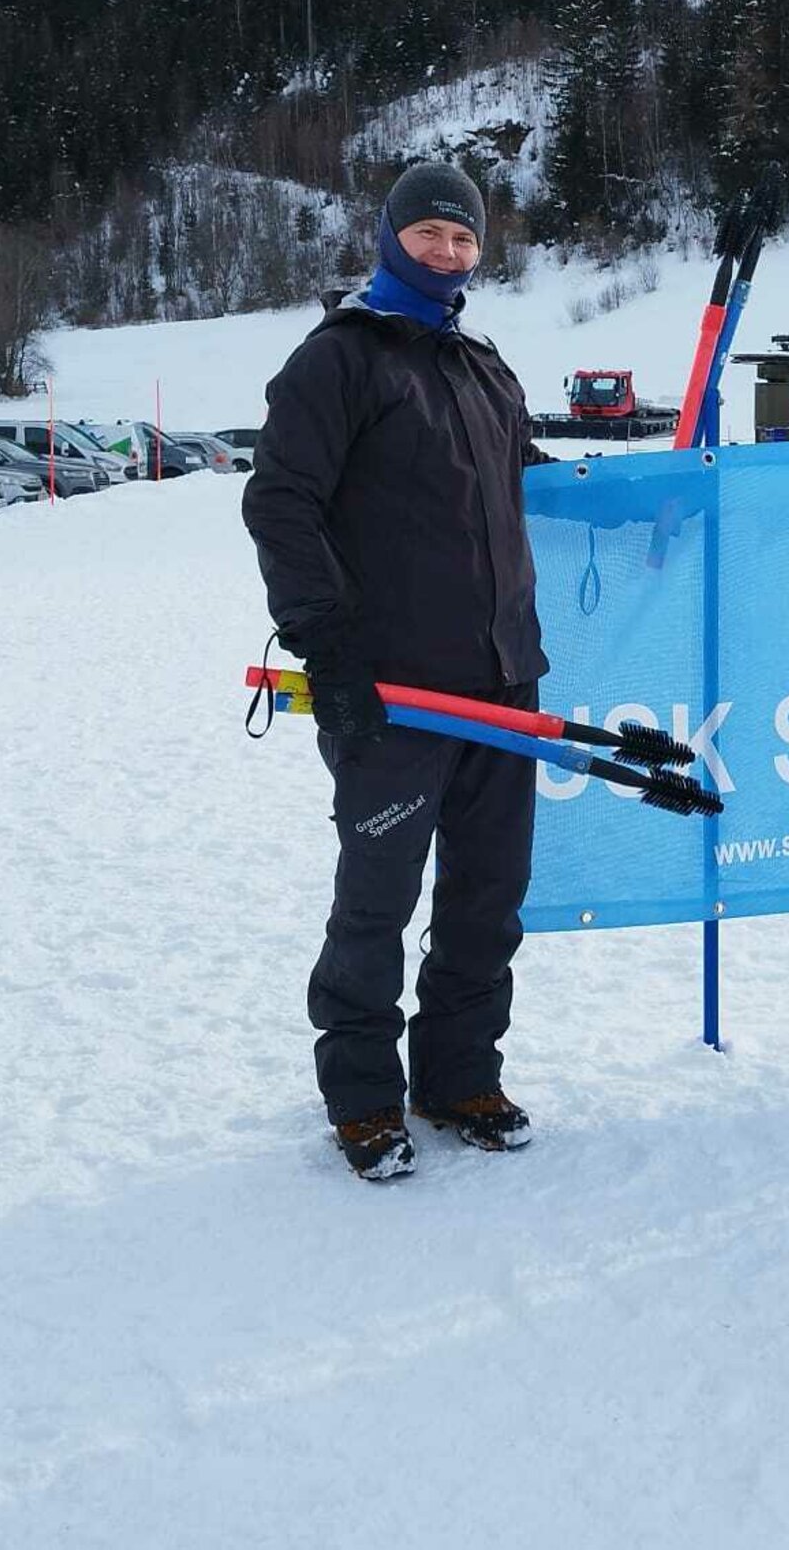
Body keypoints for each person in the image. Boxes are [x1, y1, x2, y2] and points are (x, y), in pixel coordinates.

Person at [243, 160, 548, 1180]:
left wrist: (655, 497)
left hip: (502, 683)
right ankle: (365, 1094)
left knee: (485, 896)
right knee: (377, 898)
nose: (448, 252)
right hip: (393, 693)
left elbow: (521, 483)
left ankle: (459, 1074)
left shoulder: (482, 364)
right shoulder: (339, 359)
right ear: (389, 236)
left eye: (463, 240)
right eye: (429, 235)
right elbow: (280, 501)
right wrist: (323, 641)